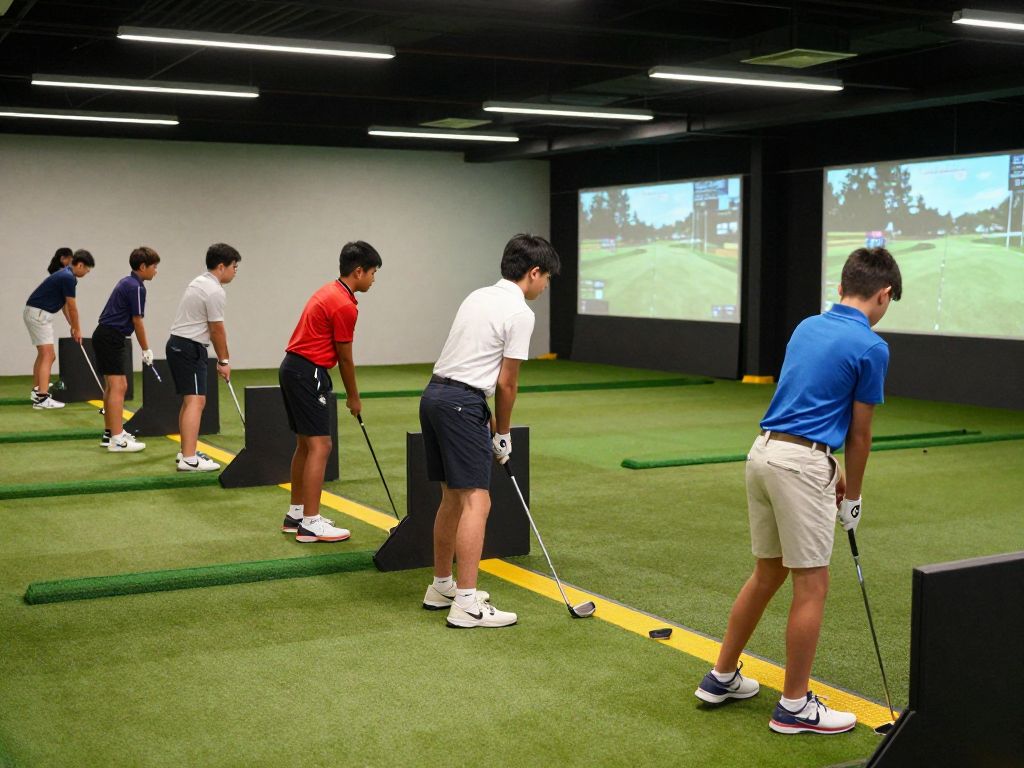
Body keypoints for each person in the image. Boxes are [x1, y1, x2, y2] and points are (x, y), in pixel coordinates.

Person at [694, 247, 902, 735]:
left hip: (763, 454)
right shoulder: (872, 346)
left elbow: (810, 397)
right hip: (803, 465)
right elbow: (860, 432)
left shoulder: (807, 326)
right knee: (813, 585)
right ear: (885, 294)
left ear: (840, 287)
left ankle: (721, 676)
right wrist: (853, 498)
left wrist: (836, 473)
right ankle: (794, 705)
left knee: (767, 573)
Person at [420, 233, 560, 629]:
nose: (545, 285)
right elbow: (506, 383)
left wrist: (493, 427)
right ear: (533, 272)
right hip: (462, 404)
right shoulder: (520, 313)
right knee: (477, 502)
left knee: (452, 497)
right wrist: (504, 432)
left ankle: (442, 586)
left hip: (434, 397)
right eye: (546, 277)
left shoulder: (477, 295)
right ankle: (466, 604)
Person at [279, 241, 382, 542]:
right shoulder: (344, 305)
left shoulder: (329, 291)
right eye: (373, 272)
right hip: (308, 371)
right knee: (321, 446)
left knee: (306, 444)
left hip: (292, 367)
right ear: (358, 271)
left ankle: (296, 514)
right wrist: (354, 397)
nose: (374, 279)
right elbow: (346, 357)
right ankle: (310, 523)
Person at [166, 243, 242, 472]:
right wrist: (224, 361)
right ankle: (189, 458)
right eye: (233, 266)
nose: (235, 271)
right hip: (189, 348)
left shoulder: (199, 281)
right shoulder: (214, 291)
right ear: (221, 266)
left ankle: (185, 453)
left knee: (192, 401)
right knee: (196, 402)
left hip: (179, 345)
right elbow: (217, 330)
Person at [94, 247, 160, 452]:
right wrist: (146, 348)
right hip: (111, 336)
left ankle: (110, 433)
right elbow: (137, 320)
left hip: (105, 335)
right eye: (154, 266)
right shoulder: (137, 287)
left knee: (114, 386)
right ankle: (116, 439)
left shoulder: (127, 281)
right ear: (143, 267)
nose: (156, 271)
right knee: (118, 386)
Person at [24, 248, 95, 409]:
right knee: (48, 355)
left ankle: (37, 391)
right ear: (80, 265)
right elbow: (72, 307)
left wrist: (72, 326)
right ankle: (42, 399)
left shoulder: (65, 274)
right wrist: (77, 329)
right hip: (40, 314)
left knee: (45, 354)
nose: (87, 272)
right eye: (87, 269)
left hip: (36, 313)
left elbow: (64, 305)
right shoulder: (68, 277)